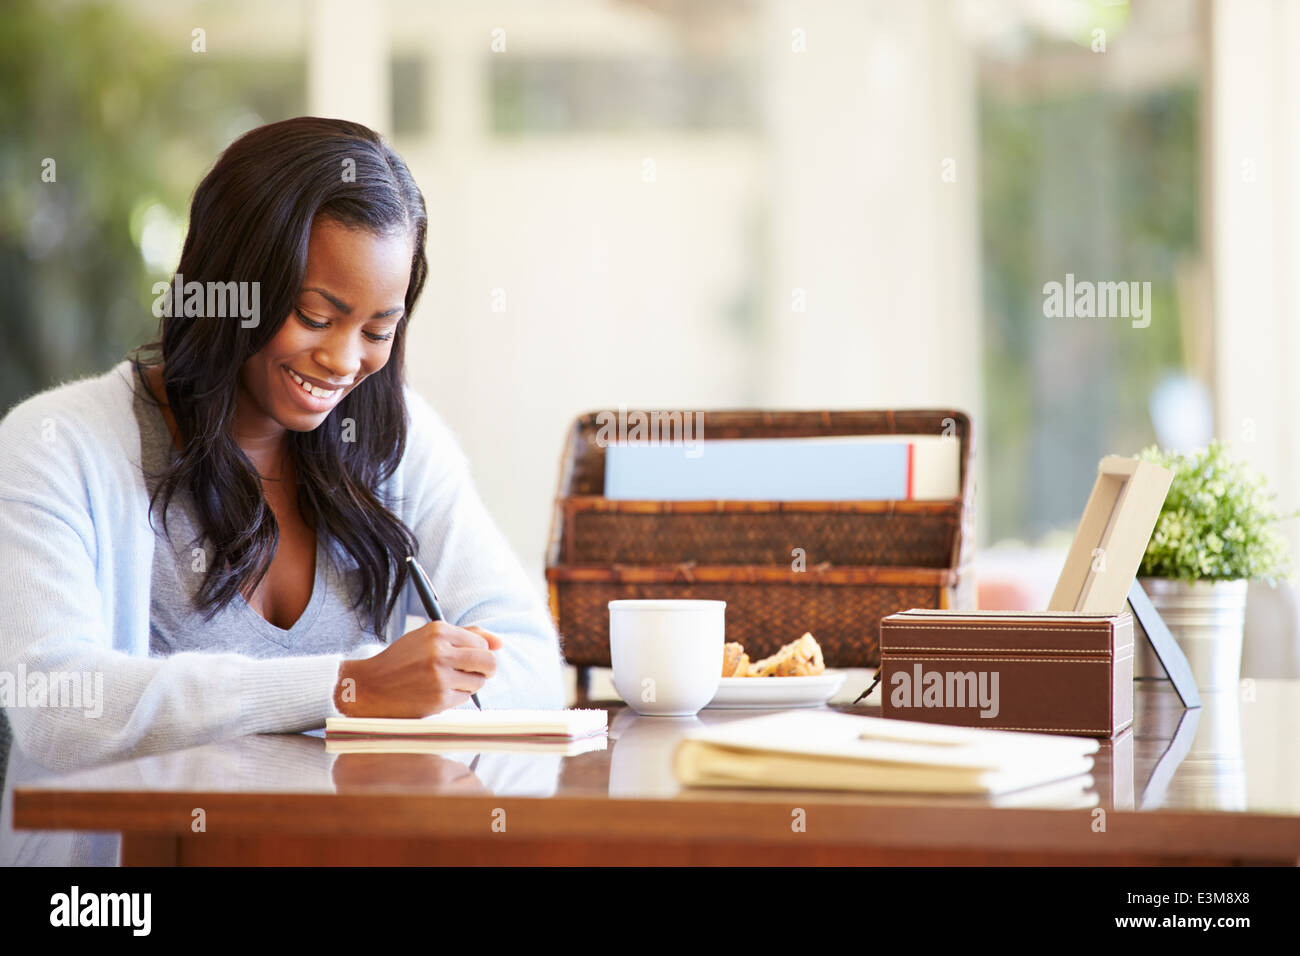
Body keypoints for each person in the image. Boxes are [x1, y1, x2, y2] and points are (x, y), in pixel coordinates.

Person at [0, 117, 565, 773]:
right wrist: (349, 688)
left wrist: (419, 682)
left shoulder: (397, 444)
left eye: (378, 329)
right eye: (316, 317)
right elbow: (57, 707)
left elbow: (527, 659)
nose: (342, 360)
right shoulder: (55, 446)